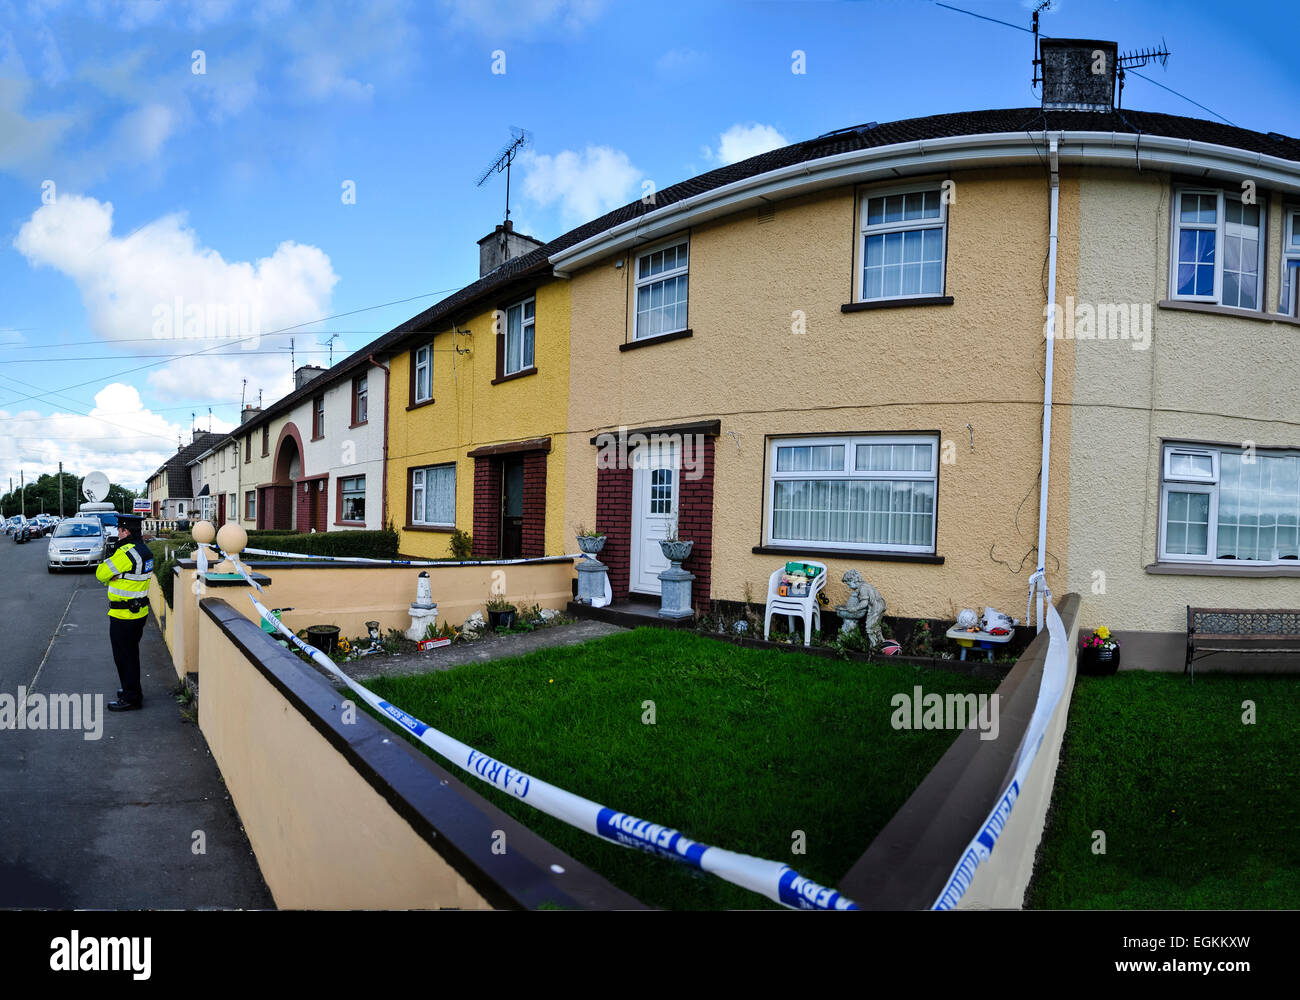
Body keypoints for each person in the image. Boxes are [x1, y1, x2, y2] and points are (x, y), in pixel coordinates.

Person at [94, 514, 154, 712]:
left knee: (124, 657)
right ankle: (132, 689)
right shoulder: (144, 550)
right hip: (139, 612)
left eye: (119, 530)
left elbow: (100, 574)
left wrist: (112, 573)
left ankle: (131, 697)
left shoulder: (125, 553)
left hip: (123, 615)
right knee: (131, 654)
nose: (117, 533)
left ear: (126, 531)